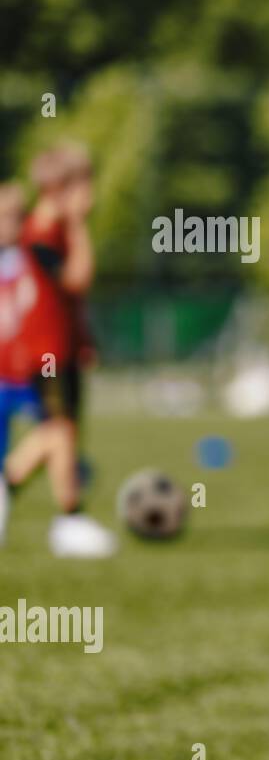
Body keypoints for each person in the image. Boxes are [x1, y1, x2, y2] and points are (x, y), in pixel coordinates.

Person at [0, 172, 114, 557]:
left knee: (62, 434)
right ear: (60, 191)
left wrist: (82, 340)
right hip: (41, 355)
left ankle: (50, 507)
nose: (91, 197)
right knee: (59, 431)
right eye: (83, 187)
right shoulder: (40, 237)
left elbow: (65, 302)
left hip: (55, 351)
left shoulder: (45, 234)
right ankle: (69, 521)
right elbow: (78, 279)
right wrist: (79, 224)